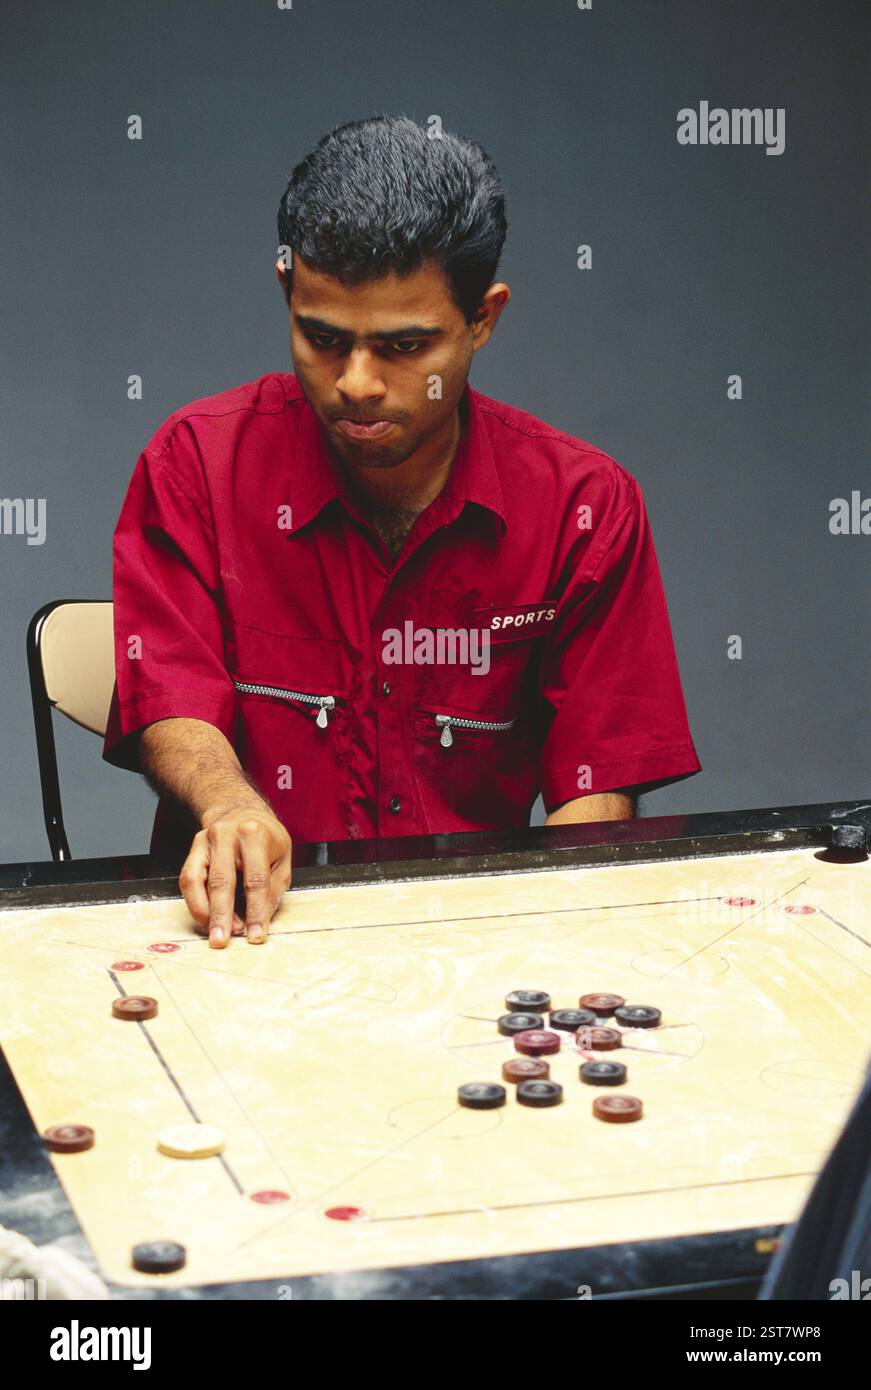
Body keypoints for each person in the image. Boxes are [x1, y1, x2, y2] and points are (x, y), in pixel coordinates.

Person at [103, 115, 701, 948]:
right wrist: (228, 801)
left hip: (477, 941)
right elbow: (168, 689)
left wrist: (564, 924)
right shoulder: (195, 463)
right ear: (287, 294)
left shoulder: (583, 506)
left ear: (482, 318)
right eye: (323, 337)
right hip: (242, 941)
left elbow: (594, 786)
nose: (356, 384)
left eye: (403, 346)